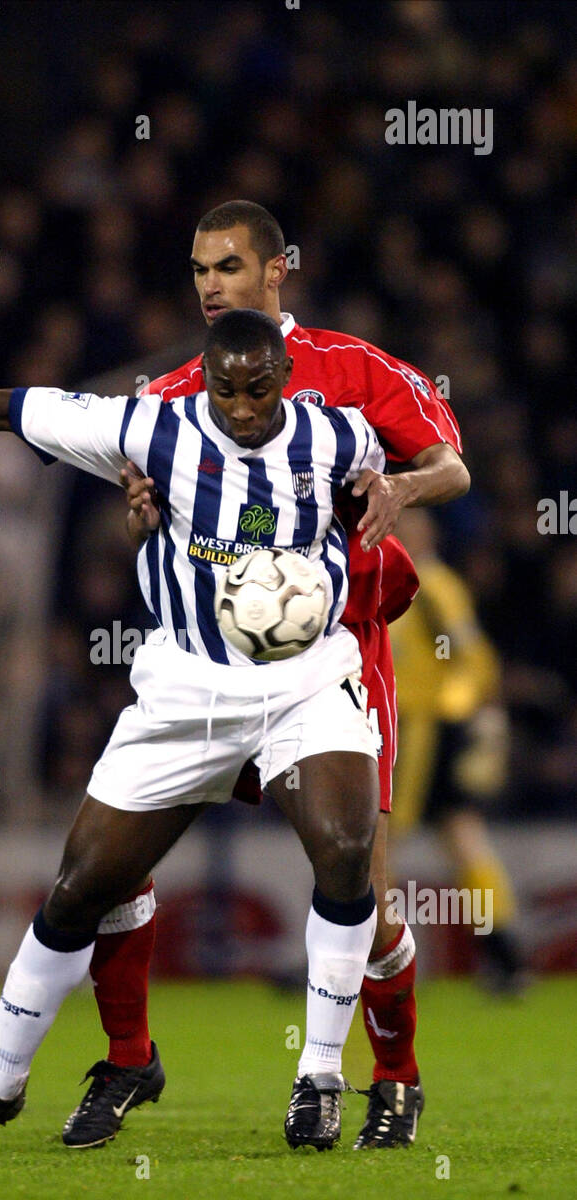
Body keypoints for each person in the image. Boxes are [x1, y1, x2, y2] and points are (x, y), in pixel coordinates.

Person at [0, 308, 470, 1154]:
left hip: (305, 683)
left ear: (285, 379)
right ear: (204, 378)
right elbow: (1, 405)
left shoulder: (339, 437)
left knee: (349, 851)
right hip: (182, 692)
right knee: (80, 888)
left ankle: (318, 1075)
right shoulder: (148, 427)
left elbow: (437, 473)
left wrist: (394, 492)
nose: (240, 408)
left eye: (257, 389)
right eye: (225, 389)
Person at [70, 200, 467, 1152]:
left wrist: (403, 486)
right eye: (200, 270)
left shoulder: (356, 369)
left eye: (229, 267)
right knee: (115, 866)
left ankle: (393, 1077)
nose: (210, 286)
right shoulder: (176, 392)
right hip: (207, 667)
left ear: (278, 269)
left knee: (357, 886)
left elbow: (450, 464)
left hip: (332, 655)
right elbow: (137, 487)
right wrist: (137, 504)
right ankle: (128, 1057)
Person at [389, 509, 525, 992]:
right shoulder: (397, 579)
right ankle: (505, 953)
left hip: (422, 730)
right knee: (461, 836)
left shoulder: (434, 586)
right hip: (414, 726)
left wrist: (453, 710)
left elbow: (475, 660)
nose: (401, 531)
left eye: (410, 526)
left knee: (379, 839)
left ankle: (347, 953)